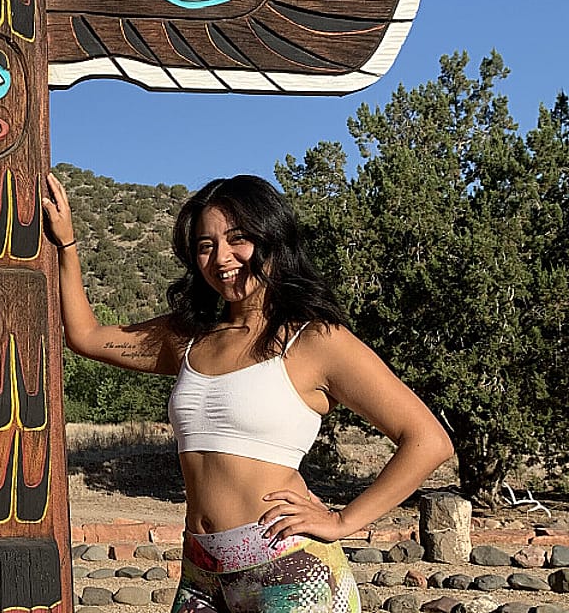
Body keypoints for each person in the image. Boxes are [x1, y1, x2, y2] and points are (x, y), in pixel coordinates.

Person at [42, 173, 453, 613]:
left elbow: (428, 440)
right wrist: (67, 245)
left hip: (290, 573)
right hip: (200, 572)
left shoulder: (315, 341)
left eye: (238, 239)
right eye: (205, 245)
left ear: (272, 239)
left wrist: (342, 521)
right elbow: (85, 336)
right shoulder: (188, 338)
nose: (221, 257)